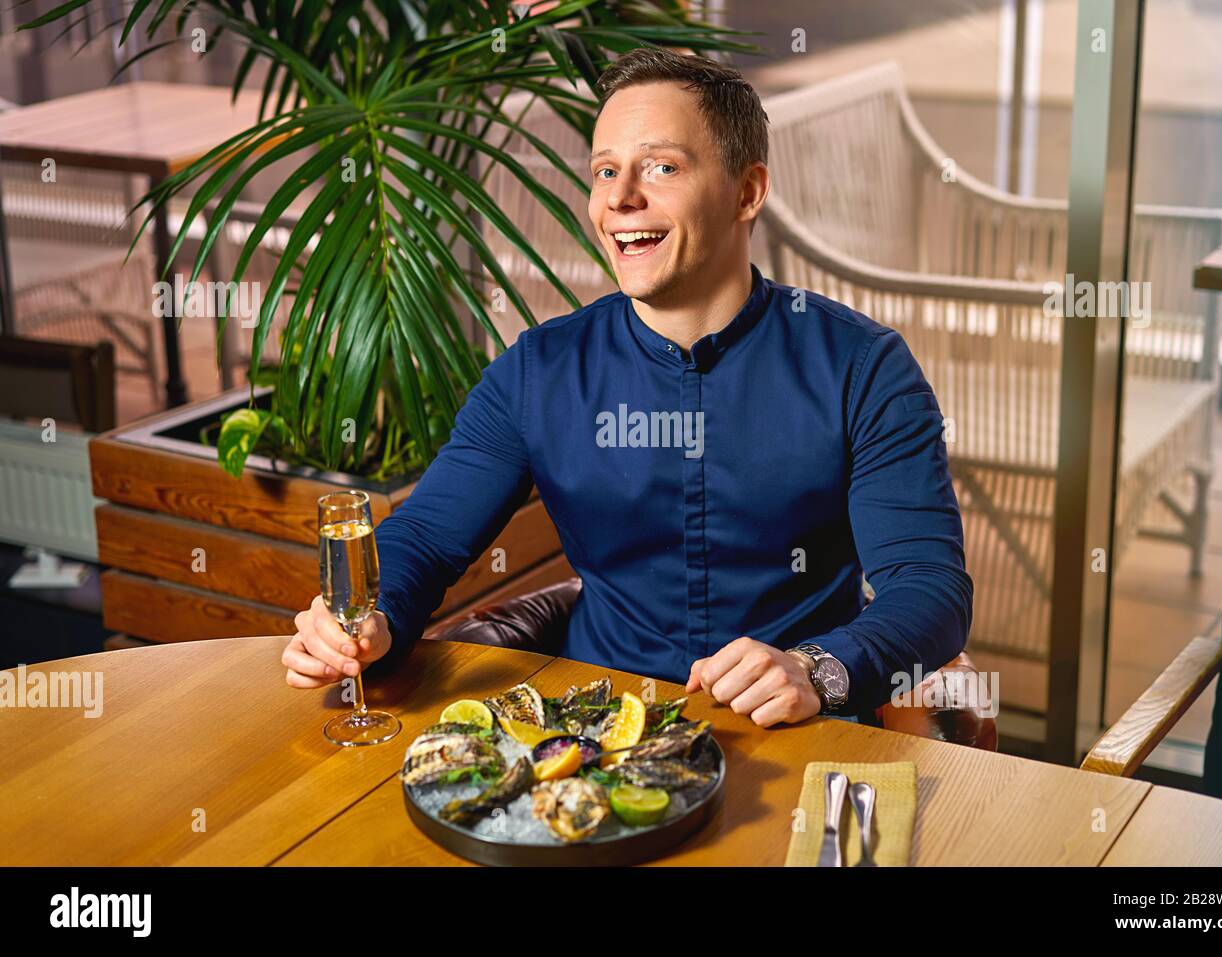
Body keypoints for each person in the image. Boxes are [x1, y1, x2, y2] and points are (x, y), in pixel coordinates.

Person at [284, 47, 973, 728]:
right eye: (605, 171)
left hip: (798, 736)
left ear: (748, 191)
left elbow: (929, 588)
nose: (619, 199)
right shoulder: (538, 370)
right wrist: (374, 617)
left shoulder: (864, 366)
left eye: (661, 167)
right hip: (595, 740)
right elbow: (428, 537)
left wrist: (818, 666)